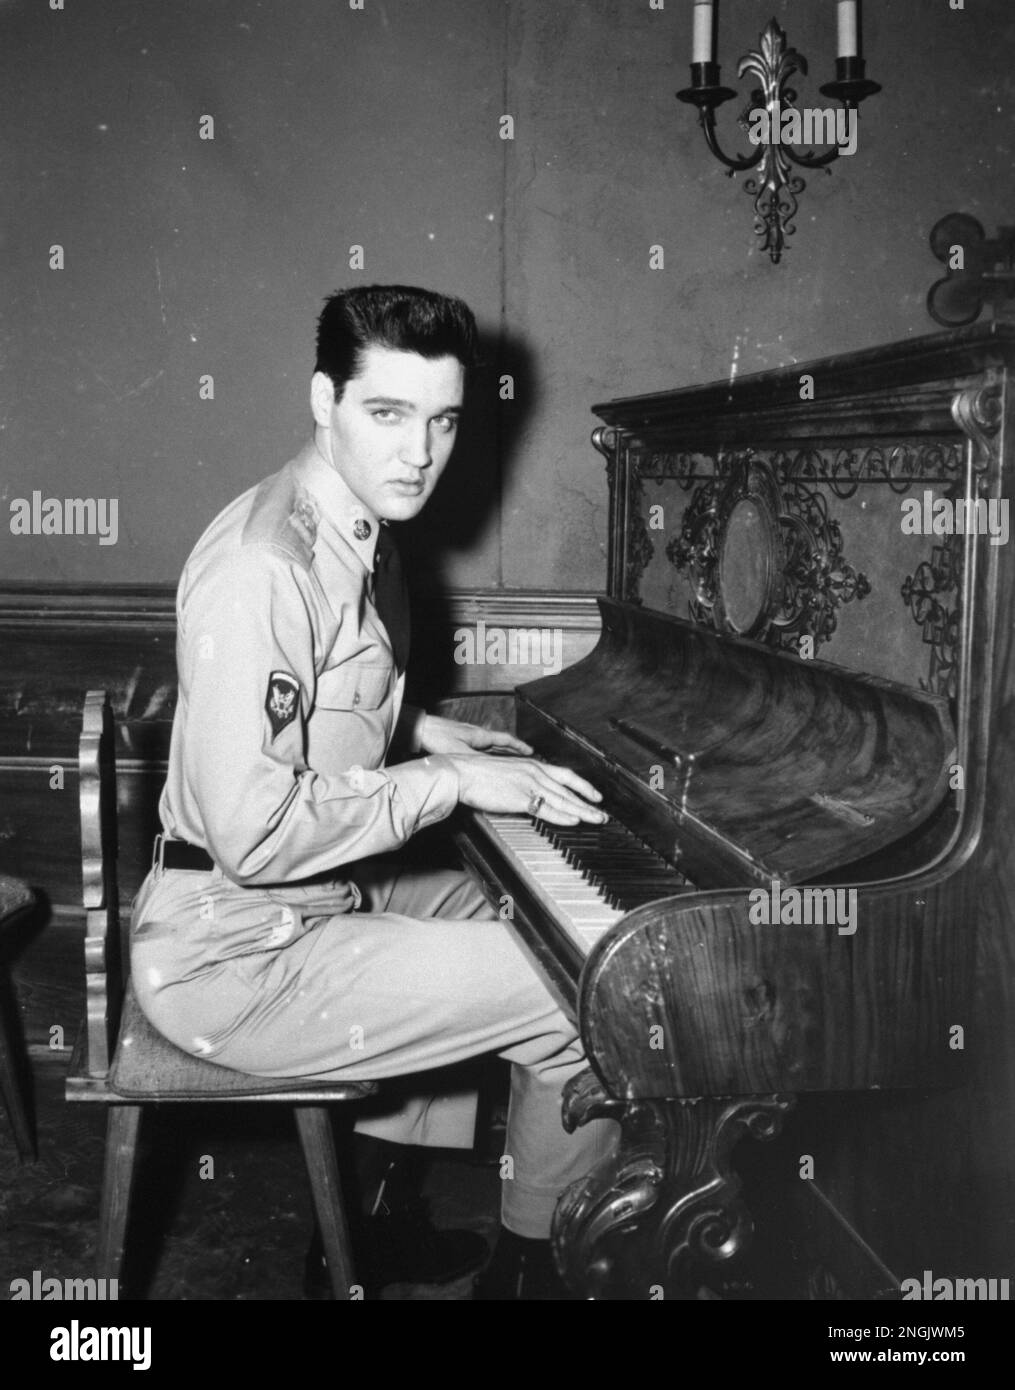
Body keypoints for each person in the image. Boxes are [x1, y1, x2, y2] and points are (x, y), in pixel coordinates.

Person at [130, 284, 616, 1299]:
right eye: (386, 414)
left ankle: (375, 1218)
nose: (418, 453)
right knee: (594, 995)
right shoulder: (268, 563)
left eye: (442, 421)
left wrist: (418, 726)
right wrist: (441, 781)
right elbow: (255, 836)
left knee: (521, 909)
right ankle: (532, 1270)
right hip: (230, 953)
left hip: (309, 900)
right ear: (323, 399)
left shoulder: (355, 523)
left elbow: (322, 703)